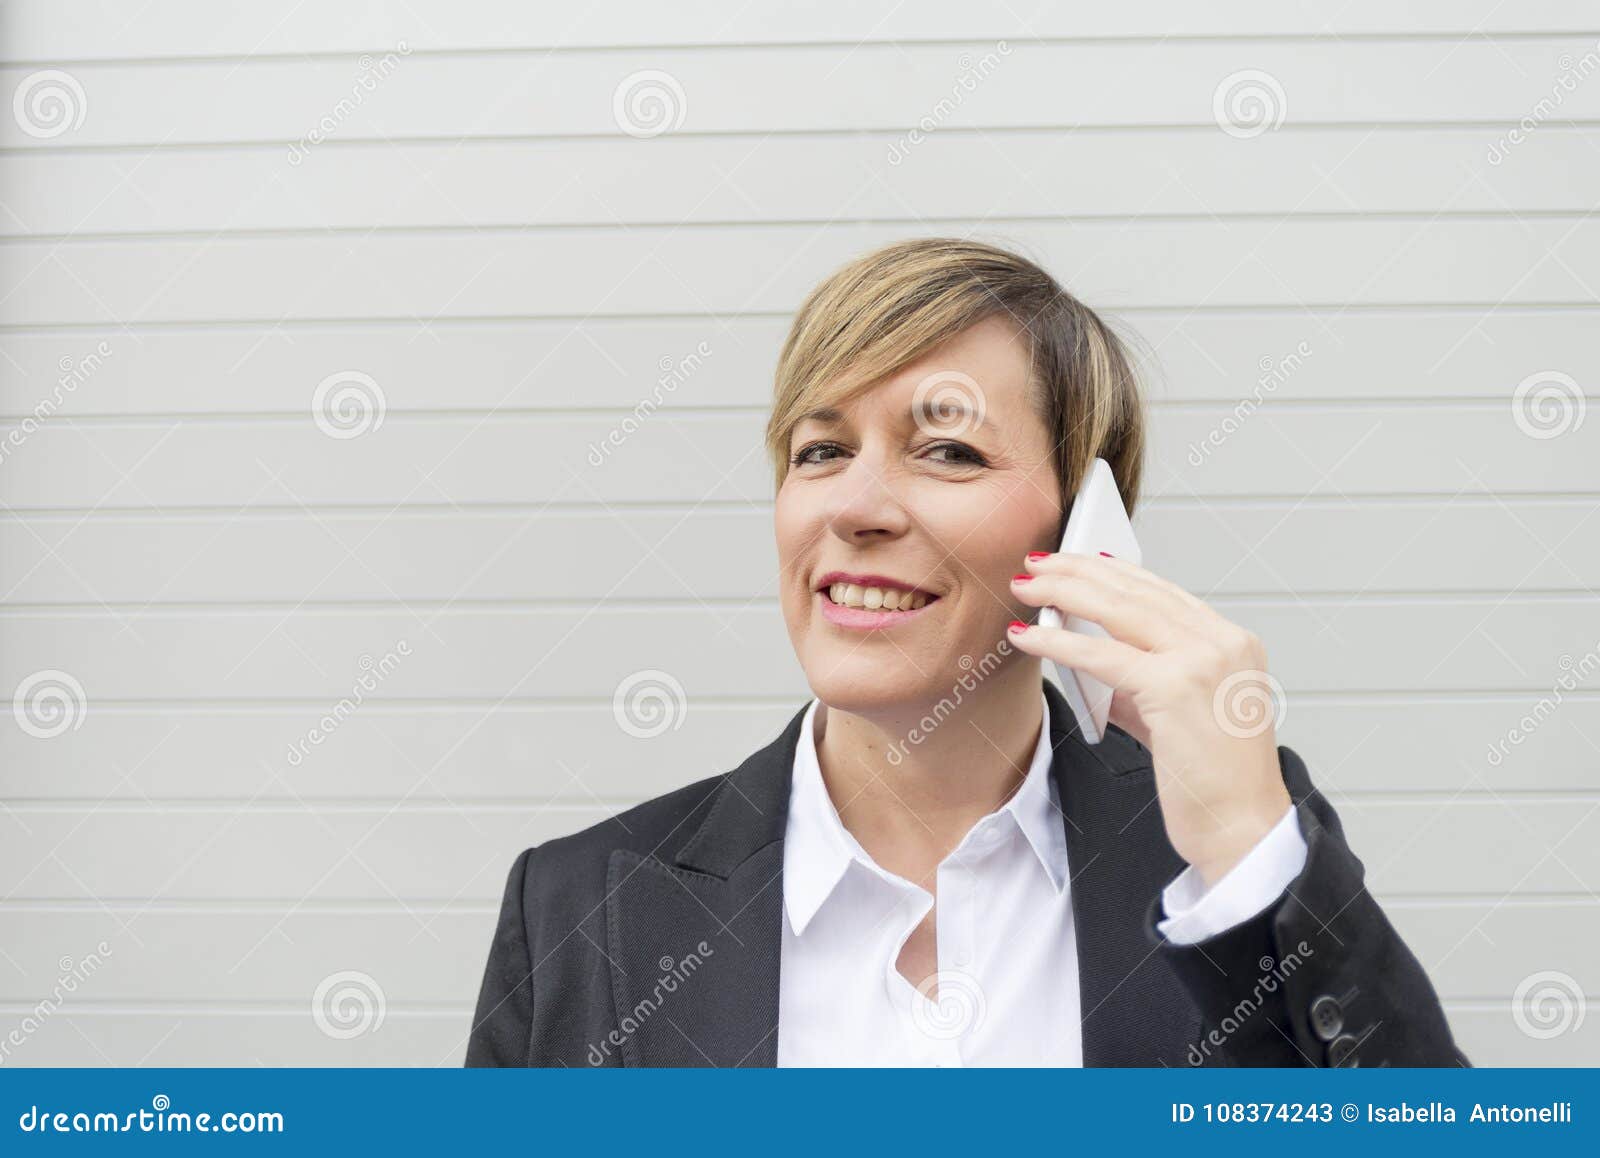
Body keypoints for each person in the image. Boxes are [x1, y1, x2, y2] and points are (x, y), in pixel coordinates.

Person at [466, 238, 1465, 1067]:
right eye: (819, 450)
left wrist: (1247, 849)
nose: (855, 507)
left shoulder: (1226, 856)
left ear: (1083, 532)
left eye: (947, 450)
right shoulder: (583, 908)